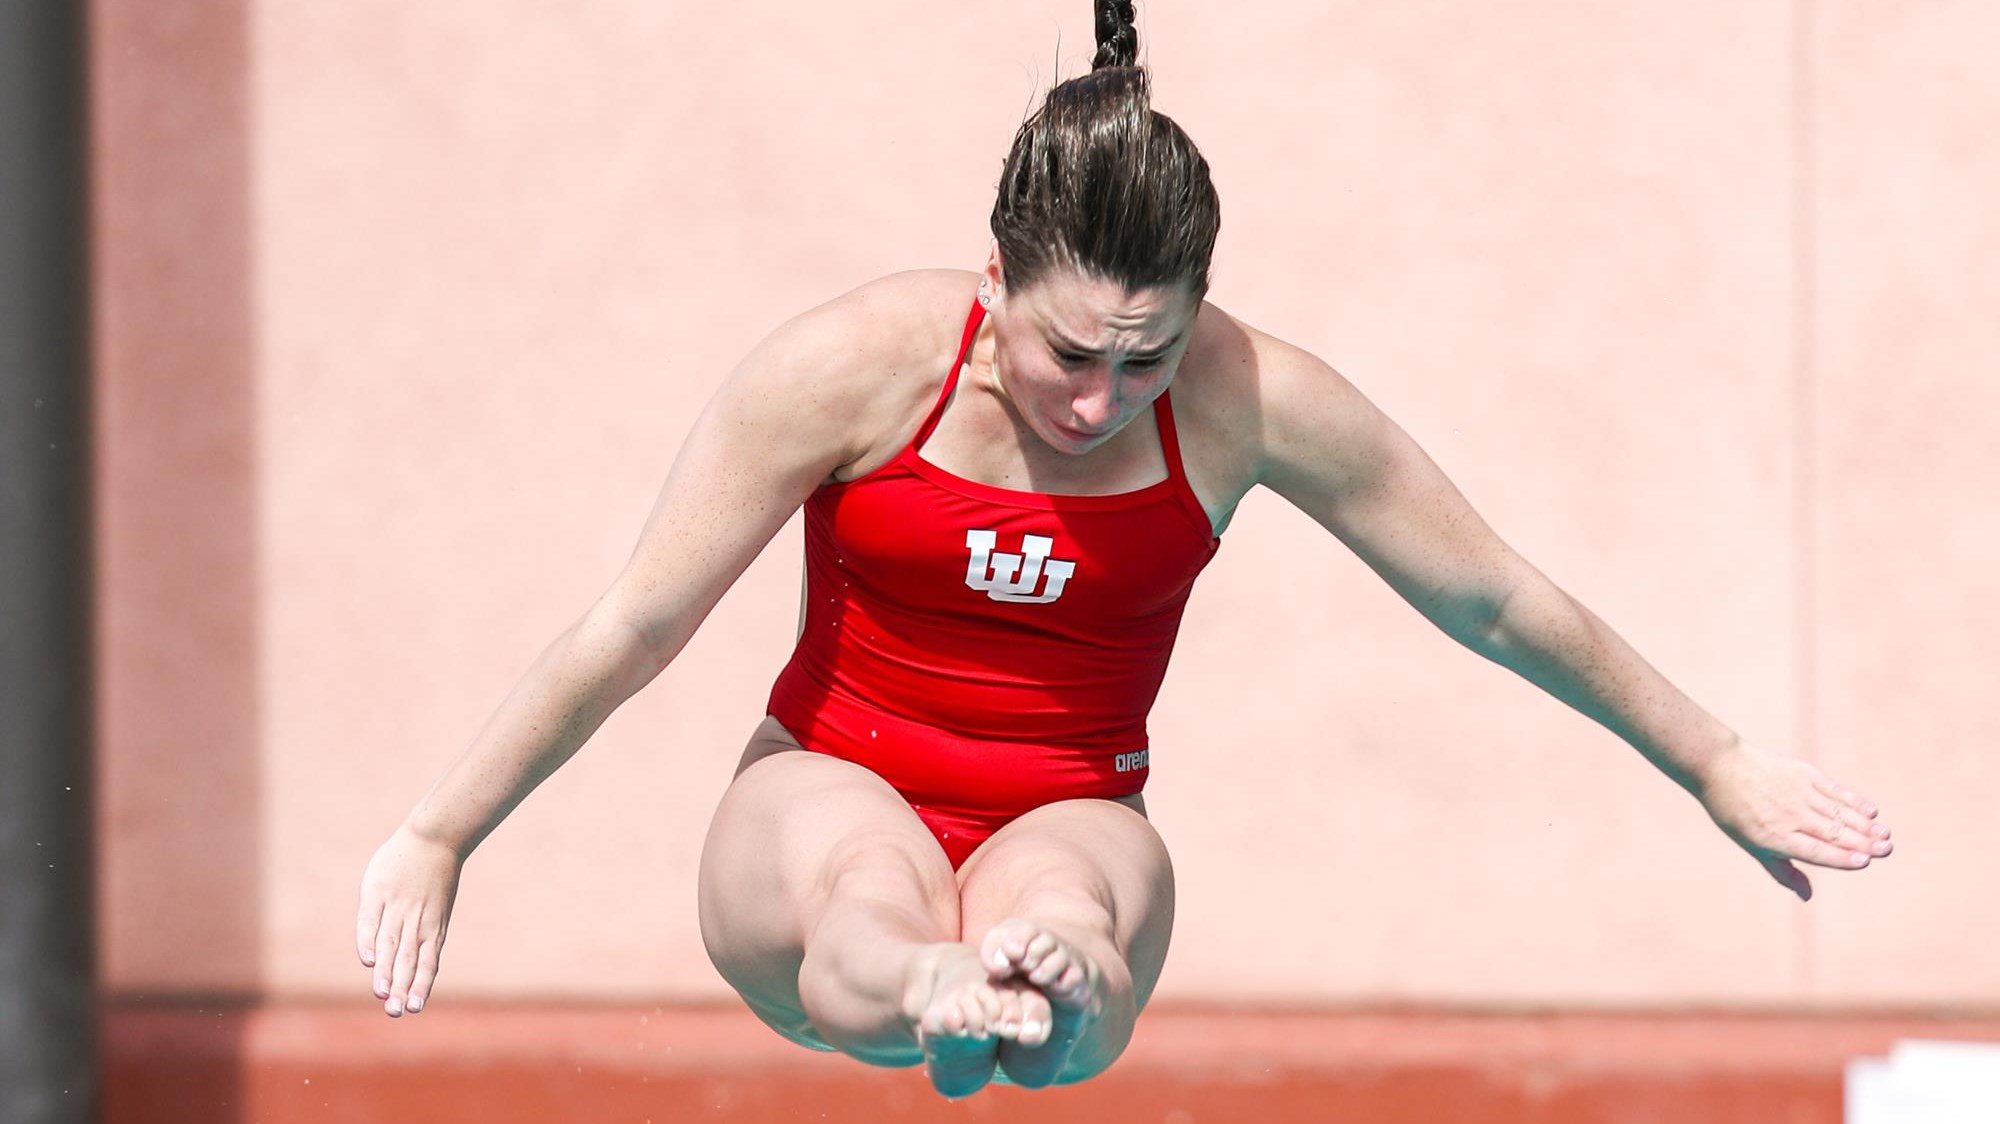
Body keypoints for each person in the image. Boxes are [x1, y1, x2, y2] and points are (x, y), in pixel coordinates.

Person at [355, 0, 1895, 1099]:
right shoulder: (853, 369)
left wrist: (1714, 759)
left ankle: (1029, 990)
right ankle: (930, 984)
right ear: (995, 277)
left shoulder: (1246, 401)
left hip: (1070, 801)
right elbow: (635, 622)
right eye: (1070, 352)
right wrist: (441, 832)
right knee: (862, 883)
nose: (1101, 403)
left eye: (1147, 358)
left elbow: (1489, 594)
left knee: (1069, 915)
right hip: (829, 774)